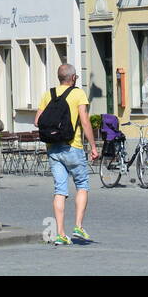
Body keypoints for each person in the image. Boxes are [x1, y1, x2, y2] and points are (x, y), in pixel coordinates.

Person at [35, 63, 98, 246]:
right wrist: (93, 146)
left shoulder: (49, 94)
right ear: (73, 78)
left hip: (53, 148)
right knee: (82, 184)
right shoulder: (78, 93)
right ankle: (78, 226)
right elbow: (85, 122)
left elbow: (37, 120)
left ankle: (60, 234)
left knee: (60, 190)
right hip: (73, 146)